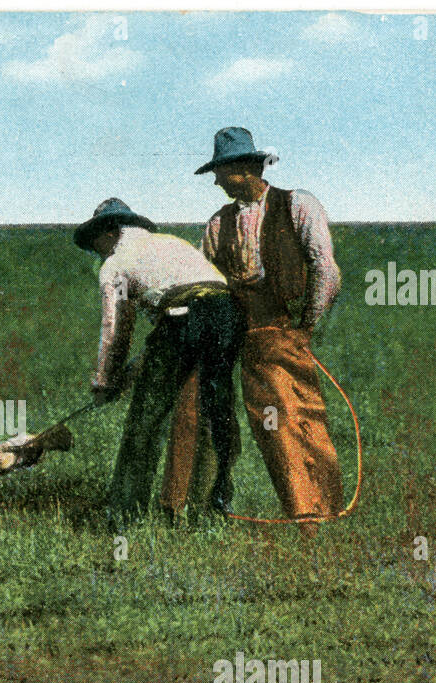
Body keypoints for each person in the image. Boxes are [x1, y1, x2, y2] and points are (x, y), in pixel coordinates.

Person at [169, 127, 343, 529]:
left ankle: (313, 514)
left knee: (294, 420)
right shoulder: (217, 224)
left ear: (246, 169)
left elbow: (325, 269)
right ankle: (199, 507)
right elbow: (202, 278)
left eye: (221, 172)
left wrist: (307, 326)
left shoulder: (298, 204)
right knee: (227, 416)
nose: (215, 181)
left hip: (281, 330)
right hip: (234, 331)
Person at [73, 198, 245, 526]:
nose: (96, 251)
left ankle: (124, 516)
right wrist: (135, 368)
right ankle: (212, 511)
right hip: (227, 315)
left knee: (145, 423)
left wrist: (104, 382)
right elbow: (166, 336)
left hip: (184, 317)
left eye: (95, 241)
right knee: (216, 415)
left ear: (109, 232)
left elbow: (116, 330)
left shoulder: (115, 264)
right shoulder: (170, 244)